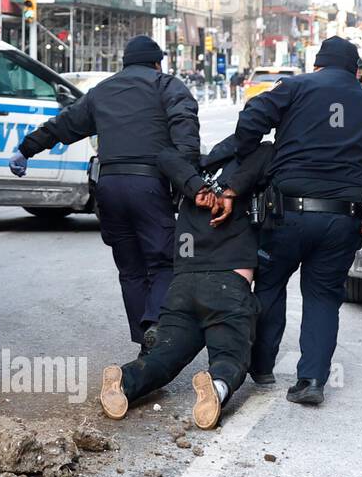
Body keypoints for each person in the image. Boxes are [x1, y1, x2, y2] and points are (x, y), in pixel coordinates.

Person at [11, 35, 200, 352]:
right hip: (150, 186)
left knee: (130, 269)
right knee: (164, 262)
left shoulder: (102, 92)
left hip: (108, 187)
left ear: (125, 63)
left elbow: (64, 124)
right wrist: (188, 179)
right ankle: (154, 323)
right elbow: (186, 129)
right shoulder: (167, 85)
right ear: (157, 62)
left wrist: (27, 149)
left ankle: (144, 343)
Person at [232, 36, 362, 405]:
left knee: (269, 285)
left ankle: (262, 367)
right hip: (343, 218)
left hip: (288, 213)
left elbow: (251, 117)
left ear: (317, 65)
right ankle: (312, 380)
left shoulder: (296, 86)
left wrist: (252, 155)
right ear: (354, 70)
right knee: (323, 297)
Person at [100, 137, 272, 429]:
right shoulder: (248, 174)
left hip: (182, 285)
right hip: (226, 284)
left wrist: (196, 187)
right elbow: (268, 151)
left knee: (164, 357)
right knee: (230, 355)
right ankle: (216, 389)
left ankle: (125, 381)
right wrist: (231, 192)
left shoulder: (194, 174)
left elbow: (165, 154)